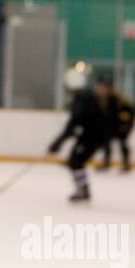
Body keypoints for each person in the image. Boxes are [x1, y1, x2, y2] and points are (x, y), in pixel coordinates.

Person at [48, 68, 110, 203]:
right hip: (91, 136)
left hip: (92, 137)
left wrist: (59, 141)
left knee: (75, 161)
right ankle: (83, 189)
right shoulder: (86, 96)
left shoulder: (82, 98)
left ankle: (83, 190)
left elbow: (74, 122)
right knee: (75, 161)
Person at [95, 79, 135, 173]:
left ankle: (126, 164)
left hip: (120, 126)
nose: (101, 90)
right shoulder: (102, 99)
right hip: (109, 126)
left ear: (108, 88)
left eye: (103, 88)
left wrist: (126, 125)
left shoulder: (118, 98)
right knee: (106, 144)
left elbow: (130, 112)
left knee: (123, 143)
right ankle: (106, 163)